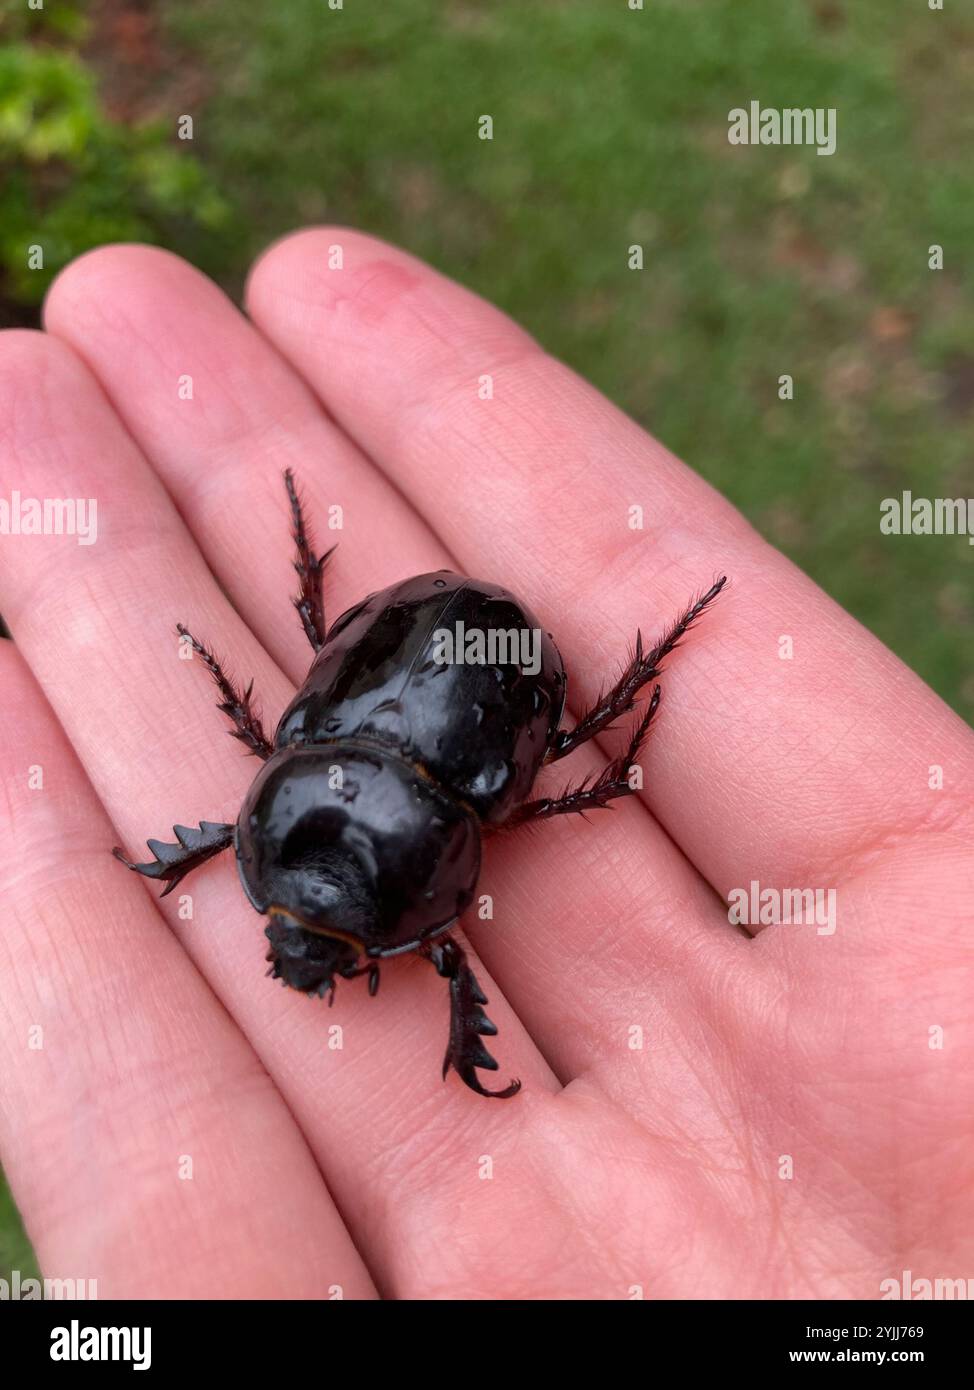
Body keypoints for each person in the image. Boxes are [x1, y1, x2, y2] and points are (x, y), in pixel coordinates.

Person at [0, 230, 970, 1300]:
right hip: (447, 679)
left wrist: (184, 855)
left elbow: (411, 897)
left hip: (446, 670)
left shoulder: (332, 802)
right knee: (559, 768)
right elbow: (446, 913)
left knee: (558, 768)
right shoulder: (334, 798)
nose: (303, 952)